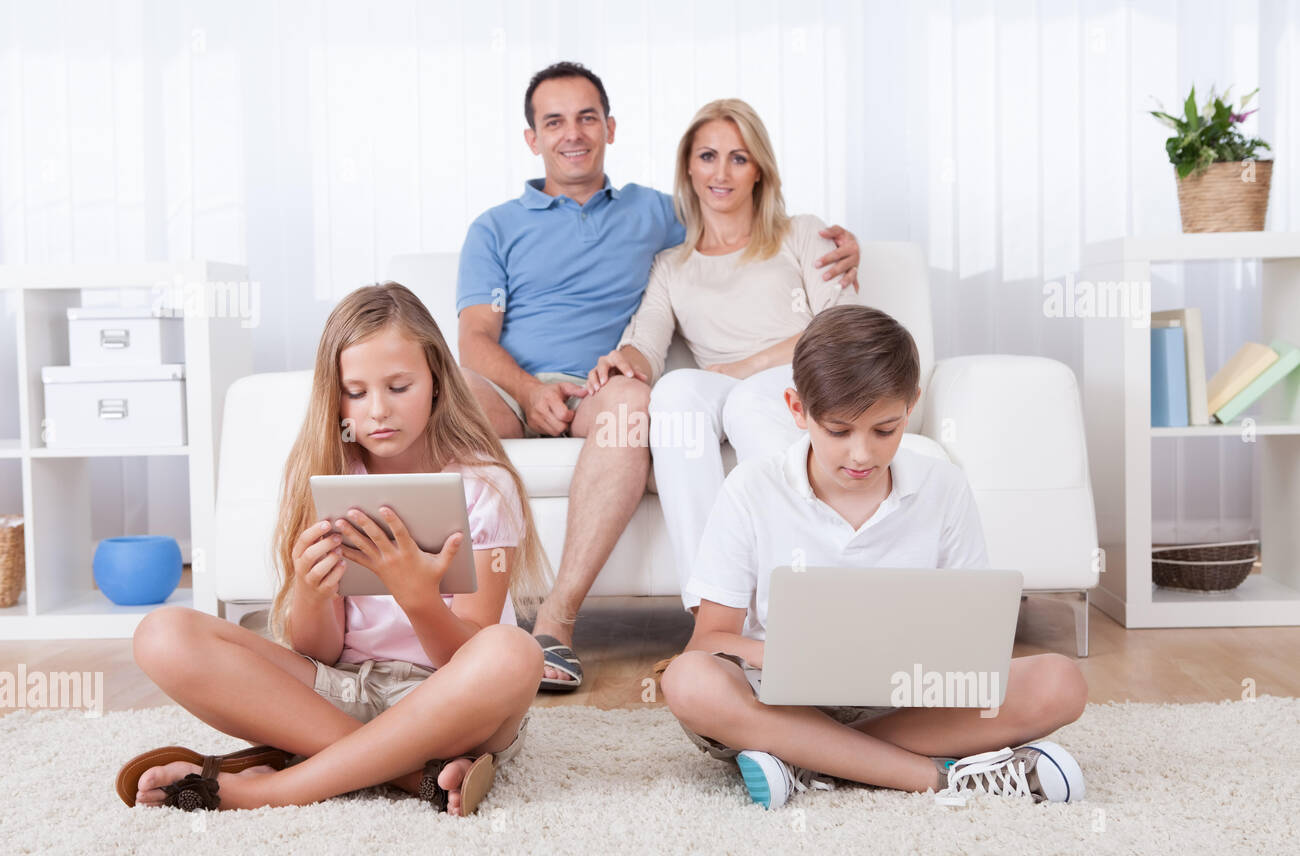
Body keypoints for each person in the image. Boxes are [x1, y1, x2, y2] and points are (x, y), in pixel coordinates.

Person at [456, 62, 862, 691]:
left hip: (602, 396)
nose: (573, 133)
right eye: (554, 121)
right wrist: (536, 389)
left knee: (639, 403)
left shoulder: (661, 216)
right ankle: (428, 624)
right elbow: (477, 340)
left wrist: (846, 243)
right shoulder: (496, 228)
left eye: (587, 117)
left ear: (610, 127)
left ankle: (559, 626)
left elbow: (737, 232)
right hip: (513, 387)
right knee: (428, 406)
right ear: (531, 137)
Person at [117, 282, 548, 815]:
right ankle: (413, 775)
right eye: (357, 392)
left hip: (445, 703)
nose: (378, 411)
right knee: (162, 634)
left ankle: (269, 788)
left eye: (399, 386)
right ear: (335, 395)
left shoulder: (484, 485)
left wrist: (417, 597)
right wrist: (311, 592)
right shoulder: (329, 477)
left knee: (515, 652)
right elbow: (318, 652)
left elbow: (473, 653)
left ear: (437, 380)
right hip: (340, 691)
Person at [658, 305, 1088, 809]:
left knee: (1061, 682)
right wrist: (797, 659)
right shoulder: (752, 487)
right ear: (797, 409)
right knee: (689, 681)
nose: (861, 455)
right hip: (778, 699)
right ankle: (939, 778)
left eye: (884, 430)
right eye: (839, 431)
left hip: (908, 701)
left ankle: (803, 760)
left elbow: (974, 637)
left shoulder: (943, 487)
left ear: (911, 407)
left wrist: (924, 662)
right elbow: (709, 639)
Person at [586, 98, 859, 610]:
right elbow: (646, 345)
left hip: (798, 378)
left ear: (759, 169)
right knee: (674, 393)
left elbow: (838, 328)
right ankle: (713, 608)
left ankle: (796, 603)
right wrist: (625, 360)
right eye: (708, 156)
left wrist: (744, 368)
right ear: (688, 166)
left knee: (748, 402)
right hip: (723, 386)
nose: (722, 172)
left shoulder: (801, 233)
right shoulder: (671, 264)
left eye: (739, 157)